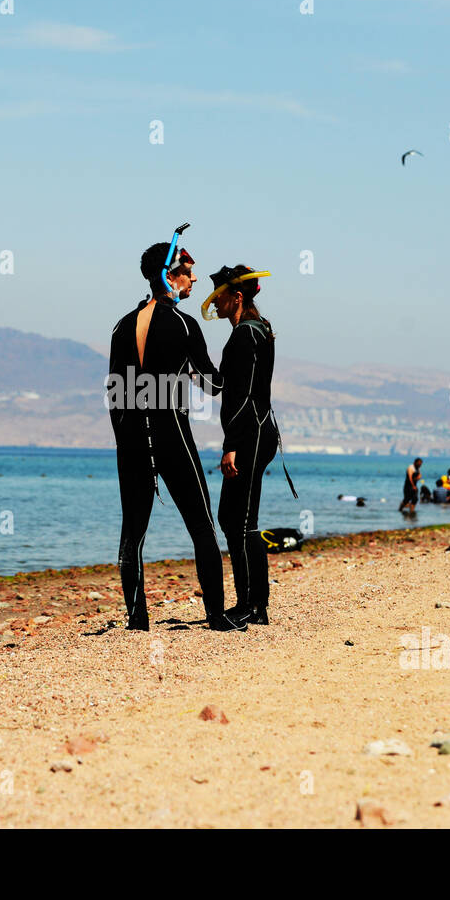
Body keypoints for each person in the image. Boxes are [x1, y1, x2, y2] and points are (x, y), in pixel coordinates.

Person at [108, 241, 243, 632]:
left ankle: (137, 620)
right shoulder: (184, 325)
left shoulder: (121, 326)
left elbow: (115, 395)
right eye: (189, 271)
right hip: (171, 433)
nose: (195, 279)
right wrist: (236, 351)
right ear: (169, 274)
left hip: (130, 438)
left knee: (132, 533)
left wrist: (126, 440)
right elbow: (212, 385)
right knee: (202, 526)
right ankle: (216, 616)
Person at [208, 264, 282, 627]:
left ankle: (253, 605)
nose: (214, 302)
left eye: (220, 295)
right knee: (231, 516)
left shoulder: (244, 336)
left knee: (243, 519)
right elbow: (226, 385)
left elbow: (244, 395)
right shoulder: (257, 330)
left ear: (236, 296)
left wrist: (231, 444)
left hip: (250, 434)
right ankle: (253, 603)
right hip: (255, 432)